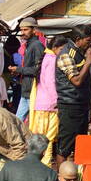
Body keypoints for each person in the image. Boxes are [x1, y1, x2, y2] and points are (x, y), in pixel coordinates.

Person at [54, 26, 91, 161]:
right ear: (78, 39)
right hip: (70, 105)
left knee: (81, 144)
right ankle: (61, 179)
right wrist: (88, 62)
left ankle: (77, 178)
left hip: (81, 104)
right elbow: (76, 81)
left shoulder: (80, 52)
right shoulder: (66, 54)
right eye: (88, 40)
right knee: (64, 147)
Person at [27, 35, 62, 165]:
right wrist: (56, 101)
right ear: (56, 47)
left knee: (40, 138)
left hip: (41, 104)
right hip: (49, 105)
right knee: (48, 138)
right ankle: (44, 165)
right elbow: (51, 82)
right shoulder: (52, 60)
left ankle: (36, 164)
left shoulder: (46, 57)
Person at [12, 18, 44, 121]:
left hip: (33, 89)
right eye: (21, 30)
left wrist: (19, 69)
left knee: (32, 121)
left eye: (25, 30)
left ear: (34, 30)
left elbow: (38, 69)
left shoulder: (37, 45)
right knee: (19, 120)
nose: (22, 33)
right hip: (26, 89)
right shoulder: (29, 45)